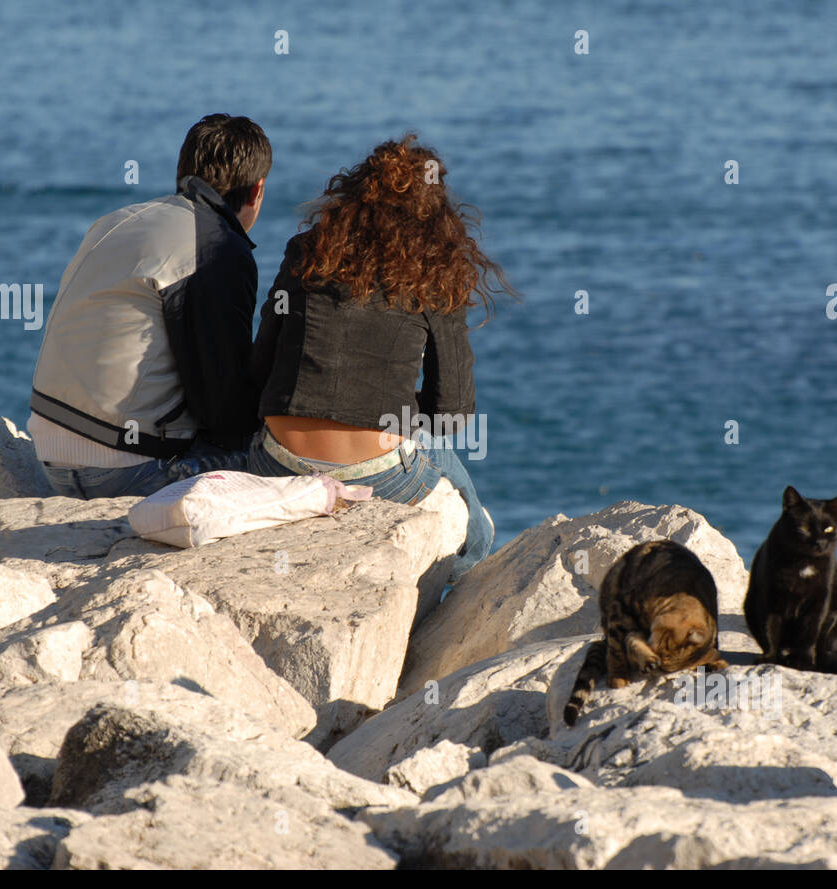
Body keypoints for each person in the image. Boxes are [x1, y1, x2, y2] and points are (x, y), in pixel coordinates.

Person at [247, 134, 516, 581]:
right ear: (435, 209)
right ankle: (464, 583)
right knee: (468, 508)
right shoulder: (436, 268)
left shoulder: (307, 250)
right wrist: (392, 406)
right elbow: (451, 412)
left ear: (355, 194)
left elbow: (262, 366)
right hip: (377, 476)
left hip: (279, 461)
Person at [27, 113, 271, 499]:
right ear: (257, 190)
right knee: (277, 458)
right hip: (125, 471)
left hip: (51, 458)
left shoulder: (118, 220)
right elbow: (225, 408)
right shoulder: (217, 247)